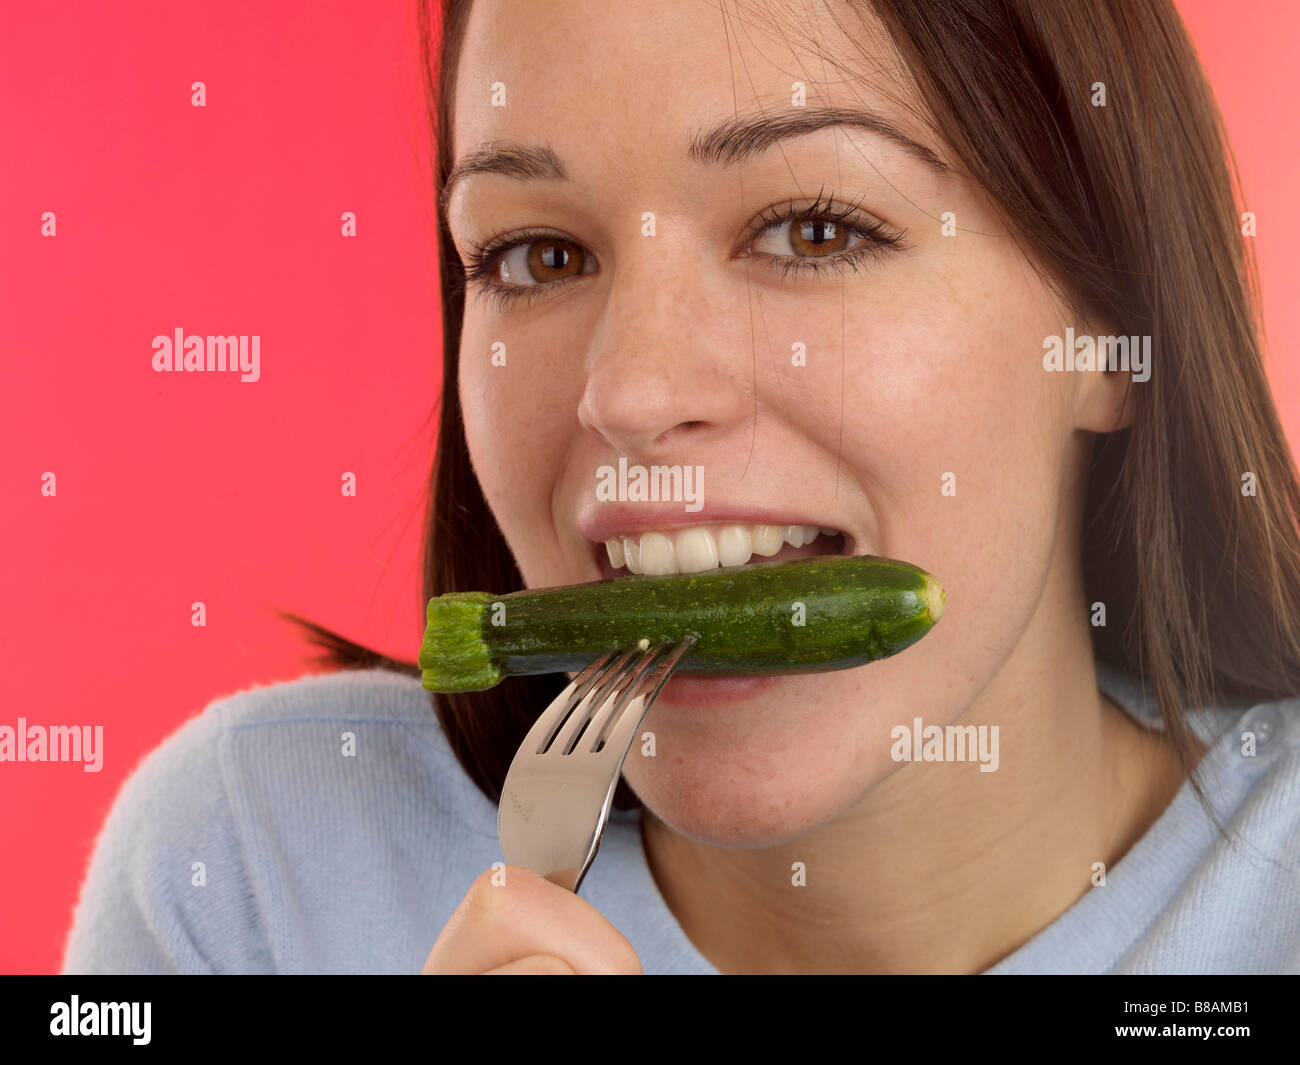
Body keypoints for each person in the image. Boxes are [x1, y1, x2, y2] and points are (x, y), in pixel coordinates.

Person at [64, 0, 1300, 975]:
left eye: (814, 230)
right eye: (535, 254)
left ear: (1107, 328)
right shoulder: (247, 868)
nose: (630, 390)